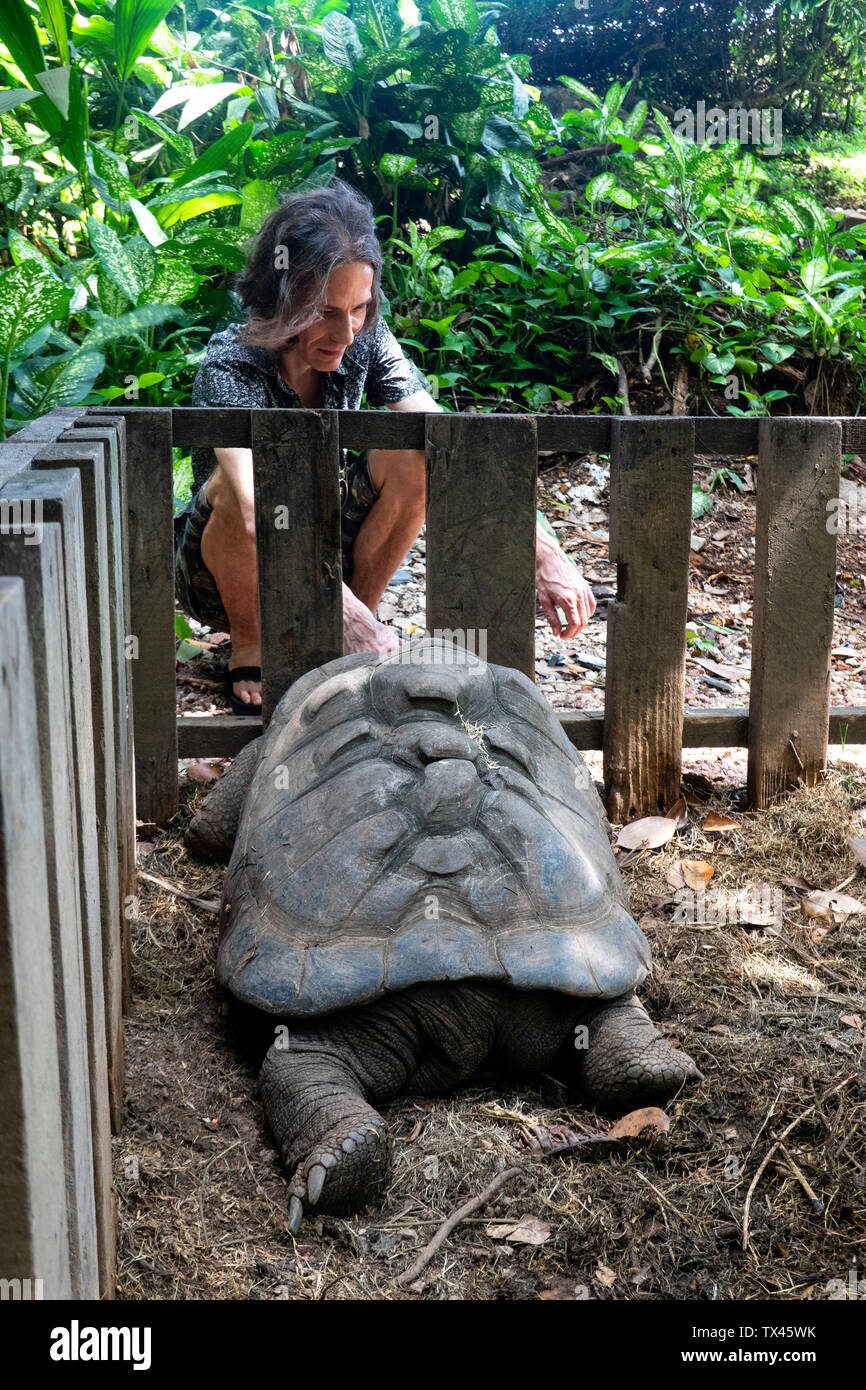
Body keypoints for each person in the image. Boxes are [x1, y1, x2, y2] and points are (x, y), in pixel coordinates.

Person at [174, 178, 596, 712]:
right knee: (230, 490)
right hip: (228, 564)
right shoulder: (229, 364)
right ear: (282, 300)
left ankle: (355, 625)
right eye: (325, 312)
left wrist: (543, 551)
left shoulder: (366, 336)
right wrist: (338, 611)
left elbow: (451, 445)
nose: (347, 333)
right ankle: (255, 640)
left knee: (416, 449)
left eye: (358, 309)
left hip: (326, 536)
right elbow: (258, 510)